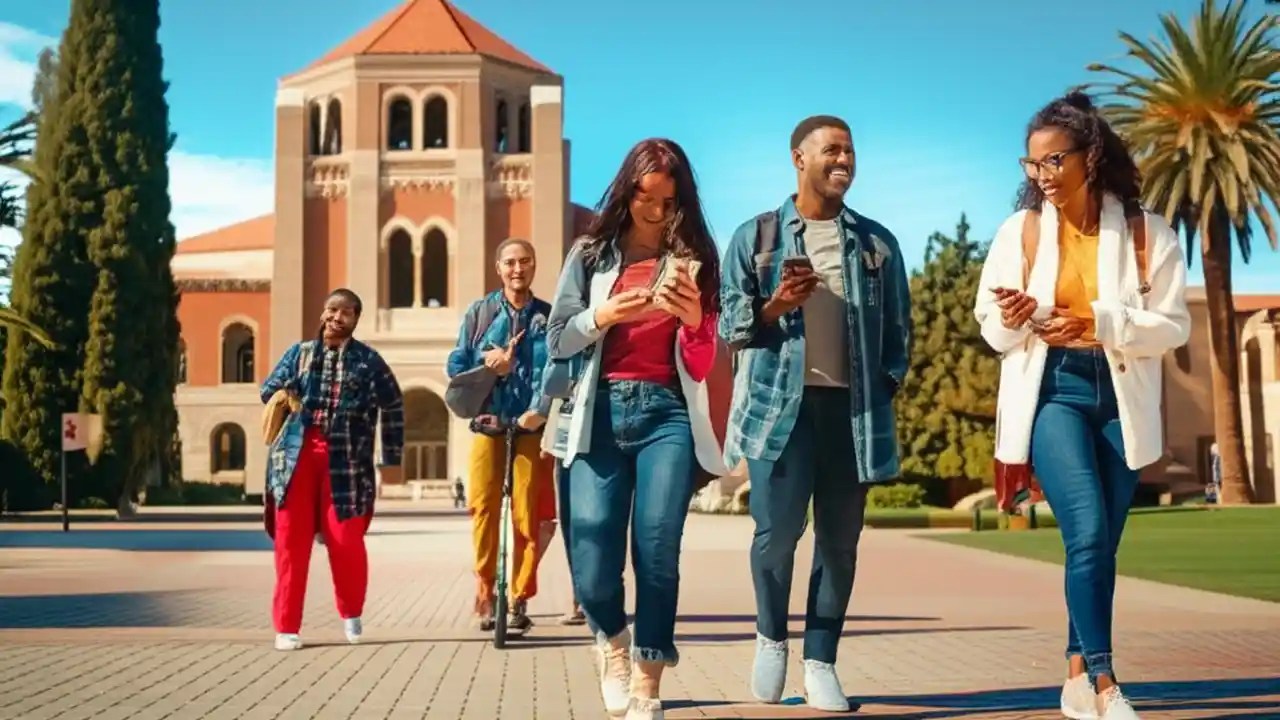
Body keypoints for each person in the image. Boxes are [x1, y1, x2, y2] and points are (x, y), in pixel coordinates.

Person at [974, 91, 1189, 720]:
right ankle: (1104, 682)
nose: (1041, 175)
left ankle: (1073, 669)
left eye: (1053, 160)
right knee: (1088, 532)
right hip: (1053, 393)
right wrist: (1015, 318)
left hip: (1121, 395)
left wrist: (1099, 322)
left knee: (1101, 547)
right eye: (1031, 164)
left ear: (1089, 157)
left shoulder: (1148, 232)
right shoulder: (1023, 231)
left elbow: (1173, 326)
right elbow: (991, 321)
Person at [718, 115, 911, 712]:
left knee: (840, 542)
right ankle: (772, 639)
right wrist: (775, 305)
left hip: (849, 415)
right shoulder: (756, 237)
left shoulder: (877, 244)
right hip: (779, 410)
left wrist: (882, 387)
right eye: (832, 150)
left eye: (851, 150)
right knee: (776, 536)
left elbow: (899, 335)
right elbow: (729, 325)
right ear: (798, 159)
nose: (844, 160)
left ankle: (821, 660)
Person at [546, 137, 725, 720]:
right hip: (595, 411)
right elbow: (556, 338)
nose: (656, 211)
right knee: (591, 554)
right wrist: (603, 316)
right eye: (646, 197)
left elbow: (699, 363)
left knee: (656, 548)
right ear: (627, 191)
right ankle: (612, 642)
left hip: (665, 415)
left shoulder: (694, 259)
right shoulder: (591, 254)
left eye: (668, 201)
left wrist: (695, 319)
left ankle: (648, 680)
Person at [260, 288, 404, 651]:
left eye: (345, 313)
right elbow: (268, 389)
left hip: (348, 462)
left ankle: (351, 614)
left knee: (346, 542)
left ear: (356, 319)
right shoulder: (299, 354)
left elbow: (394, 403)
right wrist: (285, 393)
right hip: (295, 457)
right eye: (331, 310)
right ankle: (287, 626)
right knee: (291, 544)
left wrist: (390, 457)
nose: (335, 318)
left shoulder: (369, 361)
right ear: (323, 313)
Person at [446, 237, 555, 632]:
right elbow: (455, 362)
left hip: (529, 428)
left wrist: (539, 410)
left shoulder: (547, 315)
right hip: (487, 424)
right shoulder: (481, 312)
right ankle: (486, 592)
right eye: (510, 262)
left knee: (530, 513)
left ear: (534, 266)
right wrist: (486, 360)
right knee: (483, 510)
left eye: (525, 261)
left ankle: (520, 597)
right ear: (499, 268)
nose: (518, 269)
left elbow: (558, 368)